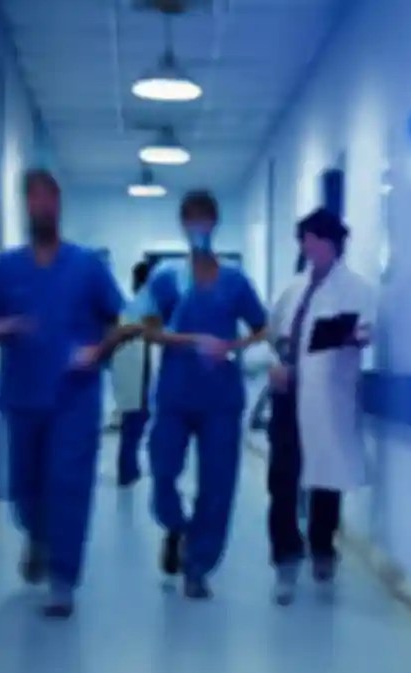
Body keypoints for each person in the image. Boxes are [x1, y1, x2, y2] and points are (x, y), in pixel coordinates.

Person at [0, 169, 140, 618]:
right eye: (34, 198)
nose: (42, 206)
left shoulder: (87, 267)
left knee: (69, 487)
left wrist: (97, 350)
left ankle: (63, 580)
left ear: (59, 204)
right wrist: (1, 328)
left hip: (75, 400)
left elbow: (121, 324)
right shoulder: (3, 271)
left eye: (50, 198)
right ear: (25, 205)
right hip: (22, 398)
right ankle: (38, 537)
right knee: (25, 490)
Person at [138, 190, 269, 599]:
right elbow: (147, 328)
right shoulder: (165, 278)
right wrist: (190, 339)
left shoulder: (234, 281)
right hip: (175, 394)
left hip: (220, 399)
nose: (198, 227)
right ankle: (176, 526)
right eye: (190, 219)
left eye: (204, 219)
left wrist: (231, 348)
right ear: (182, 225)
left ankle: (198, 565)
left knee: (218, 484)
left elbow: (264, 327)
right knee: (162, 471)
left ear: (215, 224)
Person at [266, 209, 374, 605]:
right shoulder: (294, 288)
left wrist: (356, 337)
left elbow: (365, 330)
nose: (304, 246)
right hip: (287, 395)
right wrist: (278, 360)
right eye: (302, 240)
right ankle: (285, 559)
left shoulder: (355, 289)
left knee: (325, 478)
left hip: (327, 395)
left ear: (329, 241)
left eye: (309, 238)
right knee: (282, 479)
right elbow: (277, 331)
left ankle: (323, 548)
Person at [112, 260, 156, 487]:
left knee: (135, 423)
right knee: (133, 424)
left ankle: (130, 469)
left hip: (140, 377)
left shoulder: (135, 309)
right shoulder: (138, 310)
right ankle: (127, 471)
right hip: (137, 378)